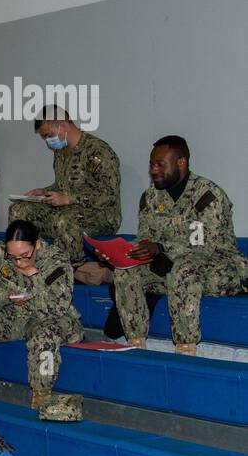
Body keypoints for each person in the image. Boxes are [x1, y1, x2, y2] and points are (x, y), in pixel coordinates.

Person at [105, 135, 248, 355]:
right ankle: (135, 344)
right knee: (127, 271)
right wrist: (121, 253)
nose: (153, 170)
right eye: (151, 164)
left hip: (218, 268)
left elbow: (203, 247)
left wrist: (161, 248)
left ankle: (185, 348)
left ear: (181, 162)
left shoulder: (207, 196)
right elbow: (146, 239)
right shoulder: (151, 197)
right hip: (169, 267)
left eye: (160, 164)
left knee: (182, 270)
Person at [0, 220, 84, 421]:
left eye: (25, 256)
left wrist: (35, 278)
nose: (19, 262)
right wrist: (9, 294)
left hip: (47, 318)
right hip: (12, 316)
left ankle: (41, 395)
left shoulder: (56, 259)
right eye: (14, 257)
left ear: (36, 244)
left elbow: (58, 307)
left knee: (45, 331)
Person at [10, 104, 120, 283]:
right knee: (19, 211)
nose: (47, 141)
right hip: (68, 210)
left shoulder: (98, 151)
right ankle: (27, 267)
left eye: (47, 135)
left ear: (62, 125)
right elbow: (64, 186)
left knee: (64, 220)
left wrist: (69, 198)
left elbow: (108, 194)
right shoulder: (60, 152)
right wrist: (46, 192)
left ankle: (70, 274)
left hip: (100, 216)